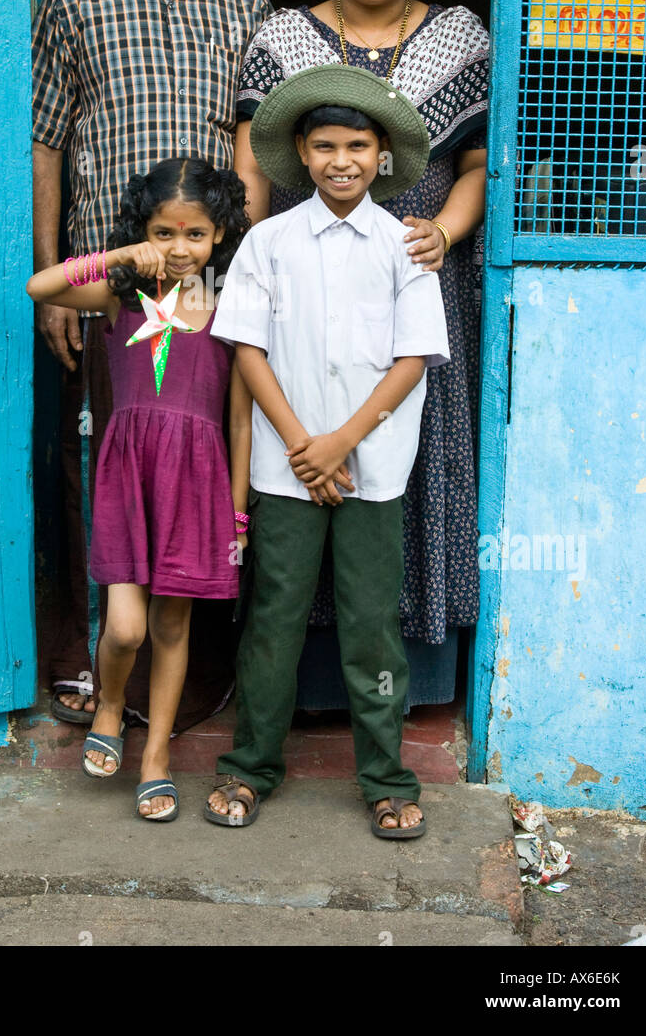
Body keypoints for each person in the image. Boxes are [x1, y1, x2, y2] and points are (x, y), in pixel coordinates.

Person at [31, 0, 272, 724]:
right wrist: (55, 271)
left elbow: (250, 148)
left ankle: (189, 671)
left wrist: (235, 267)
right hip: (109, 288)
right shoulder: (74, 0)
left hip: (206, 290)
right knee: (97, 460)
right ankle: (99, 660)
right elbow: (45, 142)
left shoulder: (246, 4)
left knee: (197, 464)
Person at [233, 0, 488, 712]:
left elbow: (480, 165)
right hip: (301, 278)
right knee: (301, 443)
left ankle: (409, 673)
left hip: (417, 269)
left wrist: (442, 233)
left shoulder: (460, 37)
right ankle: (301, 684)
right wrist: (253, 267)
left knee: (400, 458)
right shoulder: (281, 38)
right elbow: (254, 168)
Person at [204, 64, 449, 835]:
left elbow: (412, 361)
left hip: (373, 470)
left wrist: (342, 440)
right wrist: (305, 446)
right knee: (274, 615)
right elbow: (247, 350)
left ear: (382, 155)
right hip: (285, 468)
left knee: (371, 621)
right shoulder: (268, 243)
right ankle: (250, 769)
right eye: (324, 147)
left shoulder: (406, 246)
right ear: (301, 155)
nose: (340, 161)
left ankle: (386, 778)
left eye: (356, 146)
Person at [27, 158, 252, 820]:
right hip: (129, 474)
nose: (179, 249)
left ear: (220, 236)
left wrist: (237, 511)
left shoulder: (229, 304)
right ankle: (111, 705)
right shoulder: (122, 296)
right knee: (124, 629)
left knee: (171, 625)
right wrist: (127, 254)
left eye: (195, 235)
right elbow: (42, 285)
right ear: (143, 229)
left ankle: (155, 755)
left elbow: (240, 419)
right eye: (164, 232)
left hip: (198, 481)